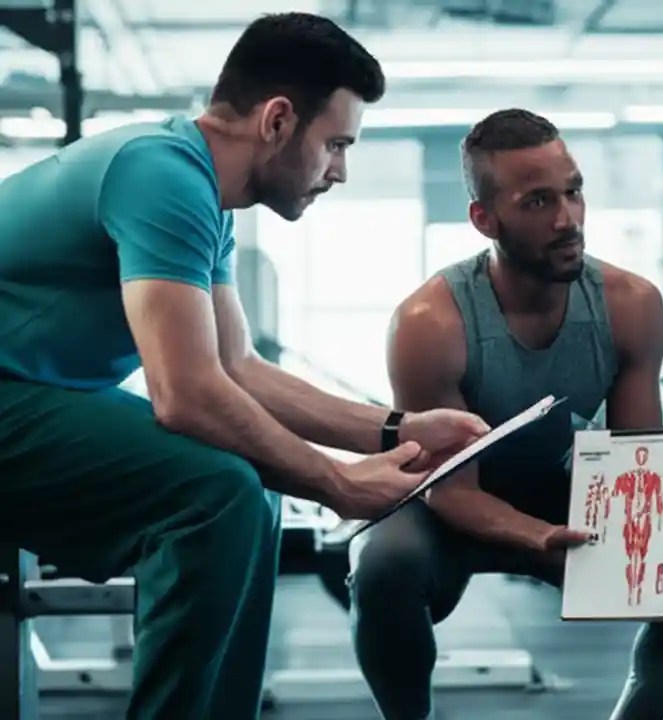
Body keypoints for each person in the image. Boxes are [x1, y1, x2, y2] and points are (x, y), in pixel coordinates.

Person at [0, 13, 488, 720]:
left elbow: (236, 368)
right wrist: (335, 485)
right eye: (336, 145)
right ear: (279, 120)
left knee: (246, 487)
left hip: (27, 393)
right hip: (12, 396)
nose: (340, 172)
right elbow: (185, 396)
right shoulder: (159, 173)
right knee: (217, 492)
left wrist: (396, 430)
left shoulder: (202, 196)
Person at [347, 108, 663, 720]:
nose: (567, 220)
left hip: (568, 491)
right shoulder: (431, 323)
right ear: (485, 219)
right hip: (452, 505)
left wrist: (651, 541)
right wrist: (537, 540)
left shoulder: (630, 304)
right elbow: (451, 490)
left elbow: (636, 460)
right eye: (537, 202)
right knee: (382, 567)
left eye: (574, 192)